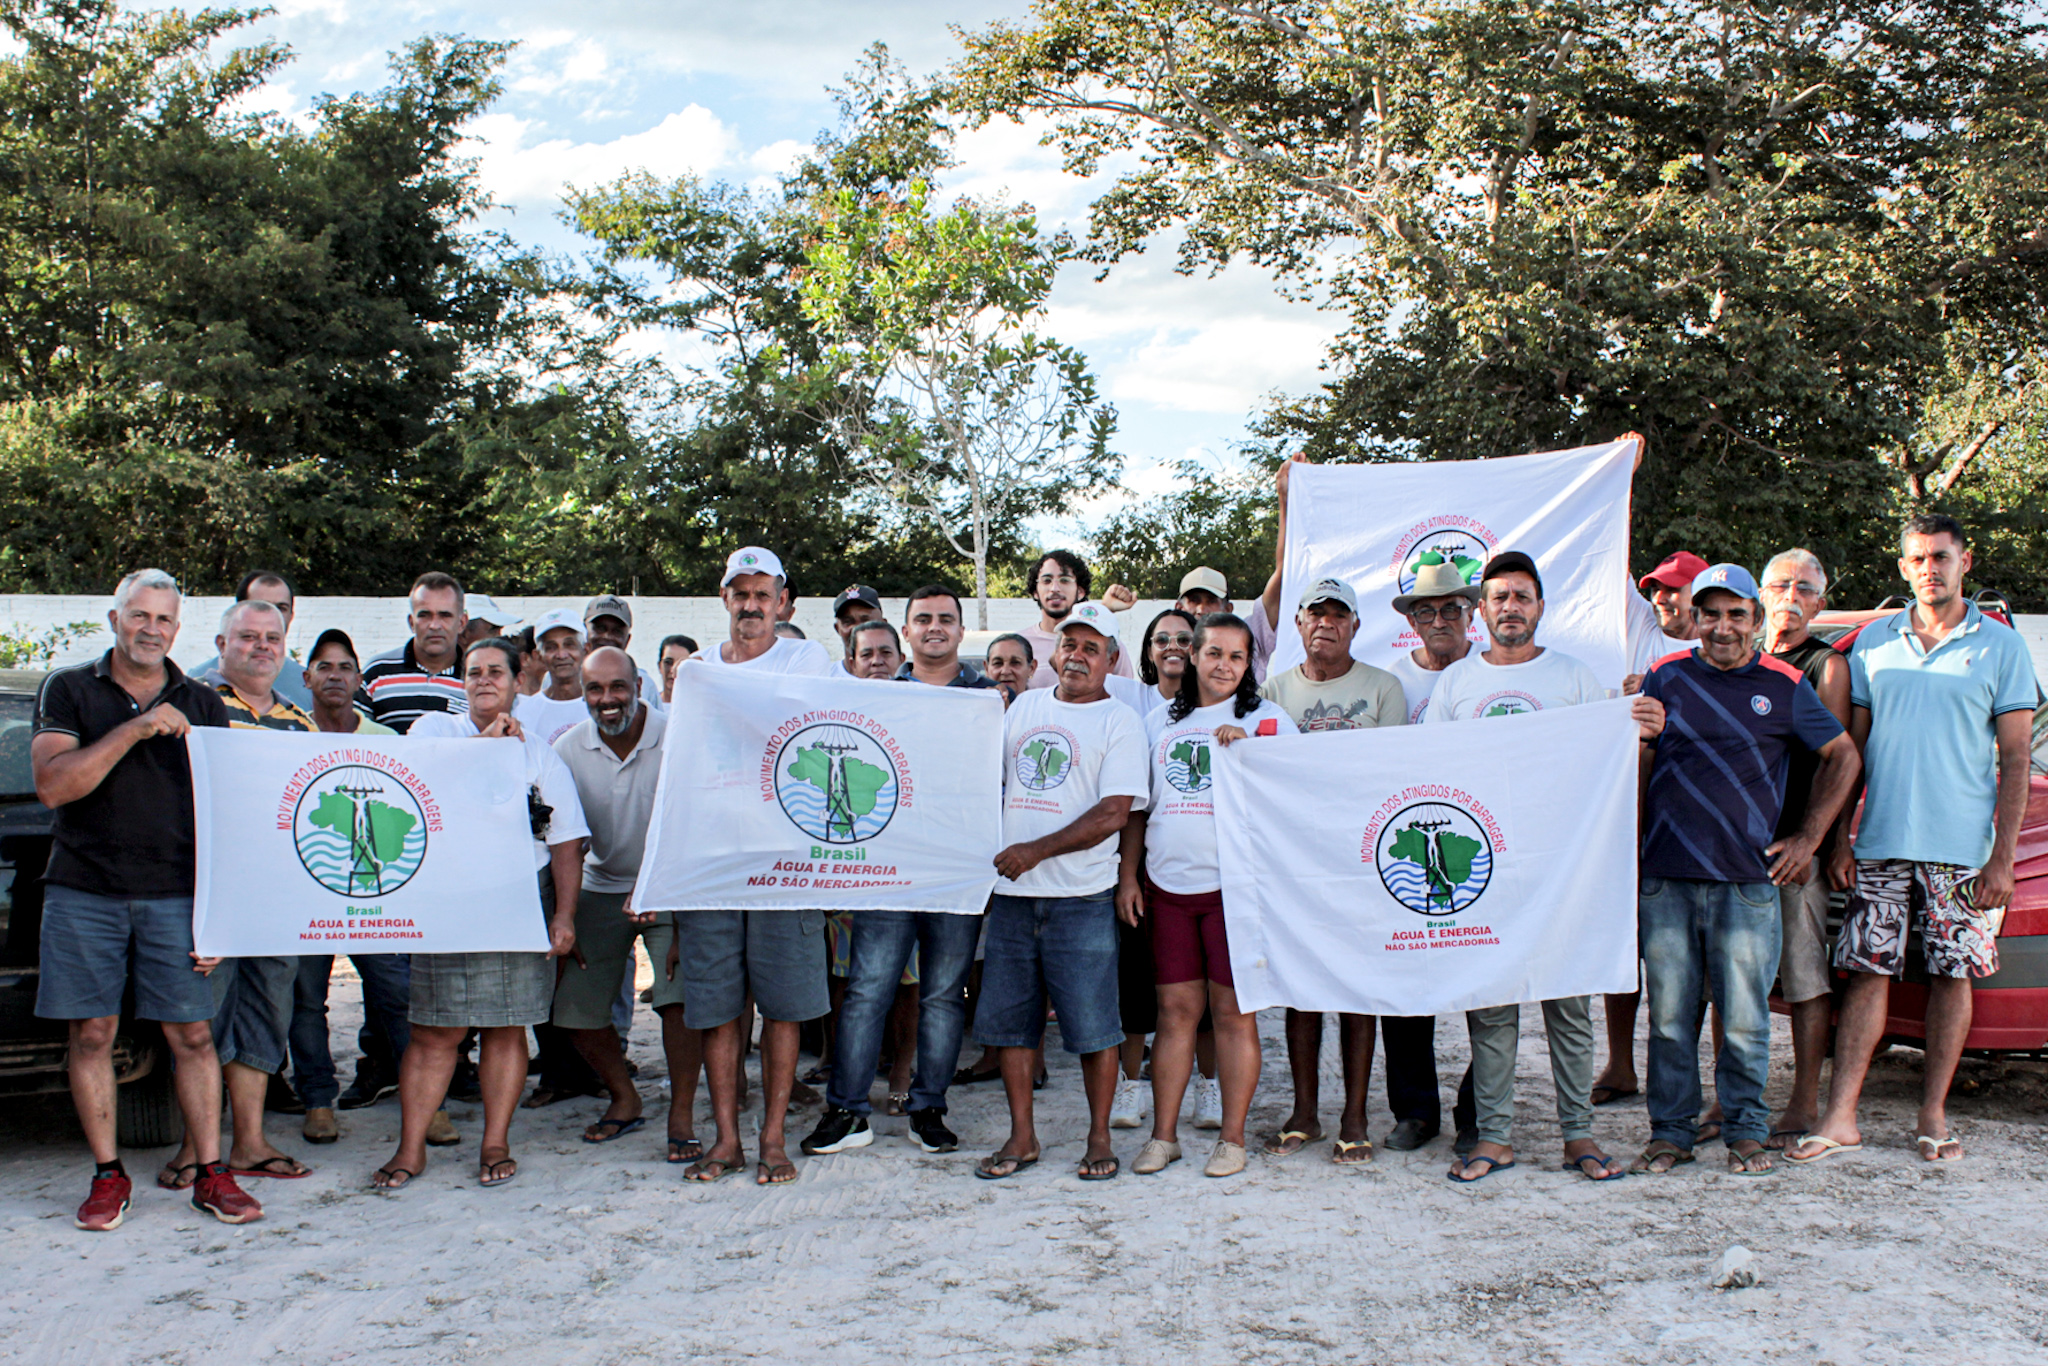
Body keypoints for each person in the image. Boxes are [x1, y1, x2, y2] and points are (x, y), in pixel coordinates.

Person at [1791, 516, 2037, 1167]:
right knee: (1868, 970)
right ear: (1903, 568)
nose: (1930, 568)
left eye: (1940, 557)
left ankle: (1932, 1114)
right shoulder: (1873, 643)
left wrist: (2002, 858)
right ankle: (1841, 1115)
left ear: (1965, 562)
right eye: (1918, 559)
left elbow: (2015, 760)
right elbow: (1852, 751)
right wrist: (1841, 839)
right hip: (1880, 842)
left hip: (1961, 850)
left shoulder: (2002, 648)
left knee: (1953, 977)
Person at [30, 568, 261, 1229]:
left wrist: (219, 917)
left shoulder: (202, 700)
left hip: (175, 895)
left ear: (178, 631)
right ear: (115, 620)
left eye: (163, 620)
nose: (151, 629)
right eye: (139, 616)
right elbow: (53, 787)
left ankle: (212, 1173)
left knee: (192, 1034)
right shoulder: (70, 688)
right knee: (92, 1033)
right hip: (84, 891)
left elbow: (222, 814)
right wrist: (135, 730)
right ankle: (108, 1176)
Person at [1427, 553, 1664, 1183]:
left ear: (1541, 606)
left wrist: (1642, 728)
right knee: (1493, 1007)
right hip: (1486, 869)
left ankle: (1578, 1136)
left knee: (1568, 1005)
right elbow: (1432, 767)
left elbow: (1614, 757)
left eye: (1522, 597)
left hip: (1563, 866)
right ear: (1481, 610)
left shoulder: (1577, 679)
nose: (1510, 607)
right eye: (1499, 597)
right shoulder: (1455, 685)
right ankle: (1496, 1137)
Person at [1634, 564, 1859, 1177]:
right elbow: (1639, 767)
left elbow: (1842, 754)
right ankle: (1671, 1134)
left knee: (1745, 1017)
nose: (1723, 627)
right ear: (1695, 619)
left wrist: (1809, 838)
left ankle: (1746, 1132)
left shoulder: (1784, 684)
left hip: (1748, 880)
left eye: (1737, 614)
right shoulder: (1664, 676)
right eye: (1711, 614)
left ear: (1757, 620)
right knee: (1672, 1016)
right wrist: (1629, 855)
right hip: (1668, 876)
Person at [374, 638, 585, 1190]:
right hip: (451, 898)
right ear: (460, 683)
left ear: (519, 681)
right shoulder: (431, 734)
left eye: (496, 672)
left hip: (519, 895)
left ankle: (496, 1139)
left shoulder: (539, 751)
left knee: (504, 1024)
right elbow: (427, 800)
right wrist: (489, 748)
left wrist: (563, 915)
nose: (484, 680)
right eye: (473, 673)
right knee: (433, 1031)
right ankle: (411, 1146)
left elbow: (565, 841)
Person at [804, 587, 999, 1158]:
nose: (935, 628)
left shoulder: (990, 700)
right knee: (868, 990)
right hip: (889, 871)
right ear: (906, 633)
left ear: (962, 631)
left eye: (946, 619)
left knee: (943, 995)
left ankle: (928, 1106)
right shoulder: (879, 699)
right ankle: (847, 1110)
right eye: (923, 620)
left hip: (958, 871)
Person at [673, 549, 836, 1186]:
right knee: (717, 1008)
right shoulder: (697, 670)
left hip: (785, 859)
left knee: (785, 1009)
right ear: (724, 600)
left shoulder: (805, 658)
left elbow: (792, 724)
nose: (750, 604)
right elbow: (681, 769)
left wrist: (717, 697)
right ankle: (726, 1140)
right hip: (714, 860)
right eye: (739, 593)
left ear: (783, 603)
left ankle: (772, 1139)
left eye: (762, 593)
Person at [974, 601, 1148, 1181]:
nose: (1077, 656)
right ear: (1054, 651)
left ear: (1112, 660)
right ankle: (1022, 1136)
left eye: (1091, 648)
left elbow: (1114, 812)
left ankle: (1099, 1138)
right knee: (1013, 1025)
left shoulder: (1120, 721)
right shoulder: (1022, 706)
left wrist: (1034, 851)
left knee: (1095, 1026)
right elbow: (983, 779)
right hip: (1013, 899)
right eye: (1069, 644)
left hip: (1082, 897)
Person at [1120, 612, 1295, 1178]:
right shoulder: (1155, 723)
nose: (1224, 665)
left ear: (1249, 665)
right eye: (1214, 652)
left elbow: (1298, 798)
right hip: (1168, 888)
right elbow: (1137, 810)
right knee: (1174, 1013)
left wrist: (1256, 756)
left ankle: (1232, 1140)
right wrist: (1129, 878)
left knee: (1232, 1014)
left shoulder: (1268, 720)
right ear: (1192, 655)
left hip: (1235, 894)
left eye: (1237, 656)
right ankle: (1164, 1137)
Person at [1256, 578, 1420, 1162]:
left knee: (1357, 987)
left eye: (1337, 615)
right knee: (1301, 990)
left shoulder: (1383, 688)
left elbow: (1392, 774)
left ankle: (1354, 1113)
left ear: (1355, 626)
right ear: (1296, 625)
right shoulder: (1271, 690)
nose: (1324, 623)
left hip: (1363, 860)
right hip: (1296, 860)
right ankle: (1305, 1111)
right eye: (1313, 614)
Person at [157, 601, 317, 1190]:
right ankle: (193, 1148)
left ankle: (248, 1142)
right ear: (221, 643)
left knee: (264, 1018)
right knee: (201, 1021)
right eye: (248, 636)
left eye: (272, 637)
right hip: (208, 892)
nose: (261, 647)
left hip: (275, 898)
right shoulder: (194, 708)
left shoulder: (301, 724)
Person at [550, 646, 703, 1158]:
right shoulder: (568, 749)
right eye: (595, 689)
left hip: (670, 885)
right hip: (603, 886)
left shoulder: (678, 735)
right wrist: (565, 916)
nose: (607, 699)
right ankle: (625, 1097)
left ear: (639, 685)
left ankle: (681, 1112)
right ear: (583, 693)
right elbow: (565, 840)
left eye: (618, 687)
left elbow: (695, 824)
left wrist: (677, 908)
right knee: (573, 1010)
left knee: (679, 1001)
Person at [288, 628, 433, 1147]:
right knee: (307, 1000)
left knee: (396, 994)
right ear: (307, 677)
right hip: (308, 891)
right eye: (324, 667)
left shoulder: (386, 744)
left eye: (345, 667)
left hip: (375, 893)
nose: (335, 676)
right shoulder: (287, 738)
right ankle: (318, 1099)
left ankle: (426, 1102)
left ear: (359, 679)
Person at [1597, 547, 1710, 1108]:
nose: (1666, 598)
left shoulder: (1714, 645)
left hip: (1687, 812)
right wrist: (1622, 472)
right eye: (1660, 588)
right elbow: (1607, 542)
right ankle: (1619, 1063)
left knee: (1681, 953)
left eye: (1678, 589)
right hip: (1629, 809)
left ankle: (1678, 1071)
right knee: (1623, 944)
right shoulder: (1644, 625)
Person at [1755, 550, 1853, 1149]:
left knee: (1804, 978)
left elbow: (1840, 761)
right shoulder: (1738, 654)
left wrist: (1813, 840)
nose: (1791, 595)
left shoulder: (1827, 666)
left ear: (1820, 601)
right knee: (1731, 981)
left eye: (1805, 587)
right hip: (1740, 846)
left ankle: (1802, 1100)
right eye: (1780, 584)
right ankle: (1731, 1097)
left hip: (1794, 849)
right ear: (1761, 595)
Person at [1104, 608, 1201, 1132]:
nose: (1173, 646)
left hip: (1209, 878)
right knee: (1138, 987)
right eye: (1161, 638)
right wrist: (1128, 875)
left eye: (1185, 639)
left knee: (1201, 994)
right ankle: (1128, 1086)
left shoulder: (1226, 710)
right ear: (1145, 651)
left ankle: (1206, 1088)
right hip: (1149, 874)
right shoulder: (1137, 712)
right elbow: (1137, 807)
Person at [359, 572, 469, 733]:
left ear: (461, 622)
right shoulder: (377, 672)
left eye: (445, 615)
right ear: (411, 622)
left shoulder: (477, 678)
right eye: (425, 615)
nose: (434, 625)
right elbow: (354, 735)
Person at [188, 570, 313, 711]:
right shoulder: (196, 683)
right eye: (261, 606)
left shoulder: (306, 684)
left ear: (291, 616)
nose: (271, 614)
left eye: (281, 608)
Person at [702, 547, 836, 675]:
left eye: (762, 595)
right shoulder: (700, 663)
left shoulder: (802, 655)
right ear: (725, 598)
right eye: (741, 595)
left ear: (781, 600)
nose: (750, 607)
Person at [1386, 552, 1480, 725]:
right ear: (1412, 622)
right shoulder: (1395, 680)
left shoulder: (1493, 663)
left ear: (1470, 616)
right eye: (1426, 612)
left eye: (1450, 609)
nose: (1438, 623)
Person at [1021, 550, 1135, 688]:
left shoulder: (1110, 646)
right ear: (1035, 592)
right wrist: (1104, 609)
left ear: (1080, 591)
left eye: (1064, 580)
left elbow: (1125, 695)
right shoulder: (1018, 644)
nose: (1054, 588)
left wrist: (1103, 610)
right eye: (1046, 580)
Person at [513, 607, 591, 747]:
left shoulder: (599, 705)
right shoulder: (525, 712)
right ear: (539, 656)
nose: (561, 655)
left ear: (585, 650)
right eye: (551, 647)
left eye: (569, 645)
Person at [581, 594, 665, 711]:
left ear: (627, 640)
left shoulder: (646, 685)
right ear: (584, 631)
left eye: (616, 631)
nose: (607, 636)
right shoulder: (562, 678)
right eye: (600, 628)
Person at [832, 585, 887, 674]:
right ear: (837, 629)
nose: (857, 629)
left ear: (883, 625)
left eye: (865, 621)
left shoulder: (900, 680)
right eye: (848, 622)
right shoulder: (825, 678)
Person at [982, 633, 1036, 699]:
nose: (1005, 671)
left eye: (1015, 663)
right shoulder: (974, 706)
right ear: (986, 668)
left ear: (1031, 668)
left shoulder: (1041, 707)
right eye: (998, 663)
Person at [657, 634, 698, 704]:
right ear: (659, 666)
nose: (673, 669)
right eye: (668, 662)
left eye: (681, 664)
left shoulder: (702, 709)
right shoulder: (648, 706)